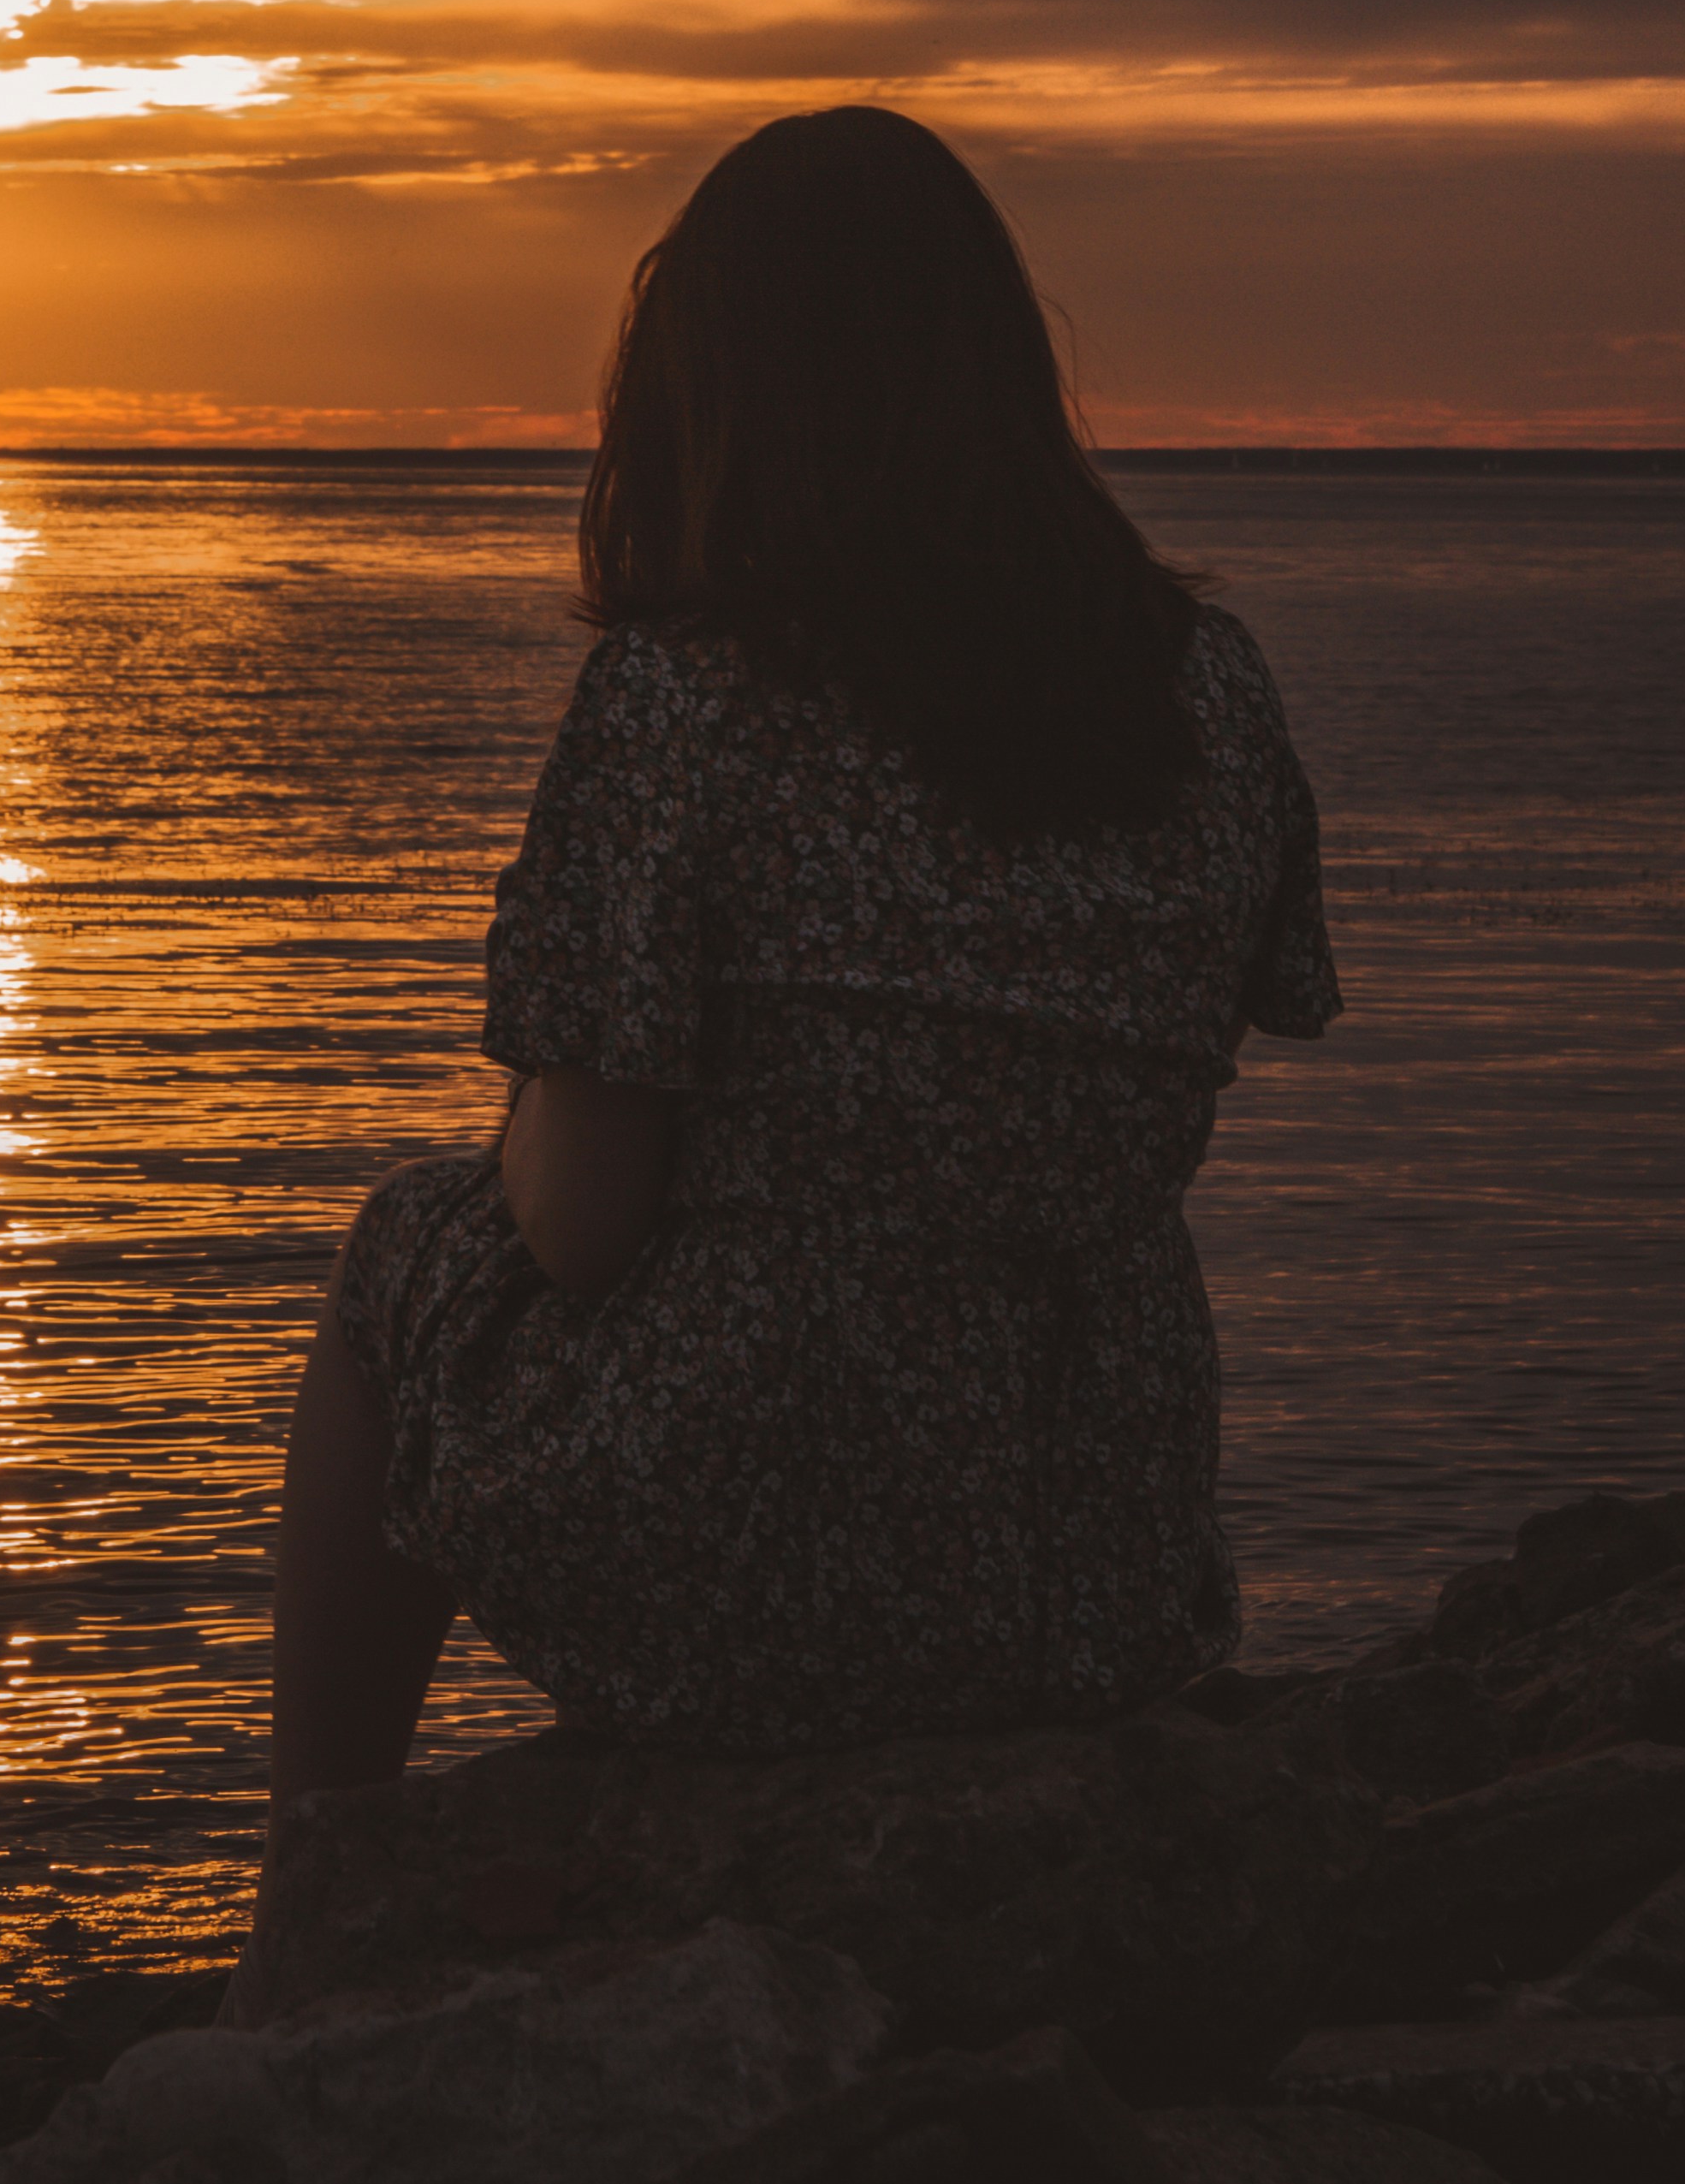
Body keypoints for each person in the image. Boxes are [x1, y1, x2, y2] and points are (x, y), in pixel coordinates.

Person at [262, 104, 1341, 1838]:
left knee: (412, 1244)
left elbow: (582, 1225)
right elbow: (1223, 1016)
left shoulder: (689, 701)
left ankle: (308, 1884)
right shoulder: (1204, 688)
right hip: (1097, 1564)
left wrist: (561, 1068)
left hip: (773, 1567)